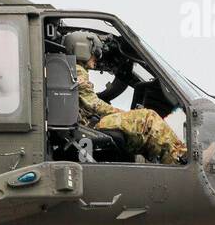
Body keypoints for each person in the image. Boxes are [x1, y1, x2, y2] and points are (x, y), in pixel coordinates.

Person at [67, 33, 187, 165]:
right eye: (94, 51)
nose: (97, 56)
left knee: (140, 130)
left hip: (86, 123)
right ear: (81, 49)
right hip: (88, 126)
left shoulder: (71, 69)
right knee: (147, 118)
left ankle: (171, 157)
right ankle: (182, 159)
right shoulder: (77, 71)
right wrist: (124, 114)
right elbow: (94, 105)